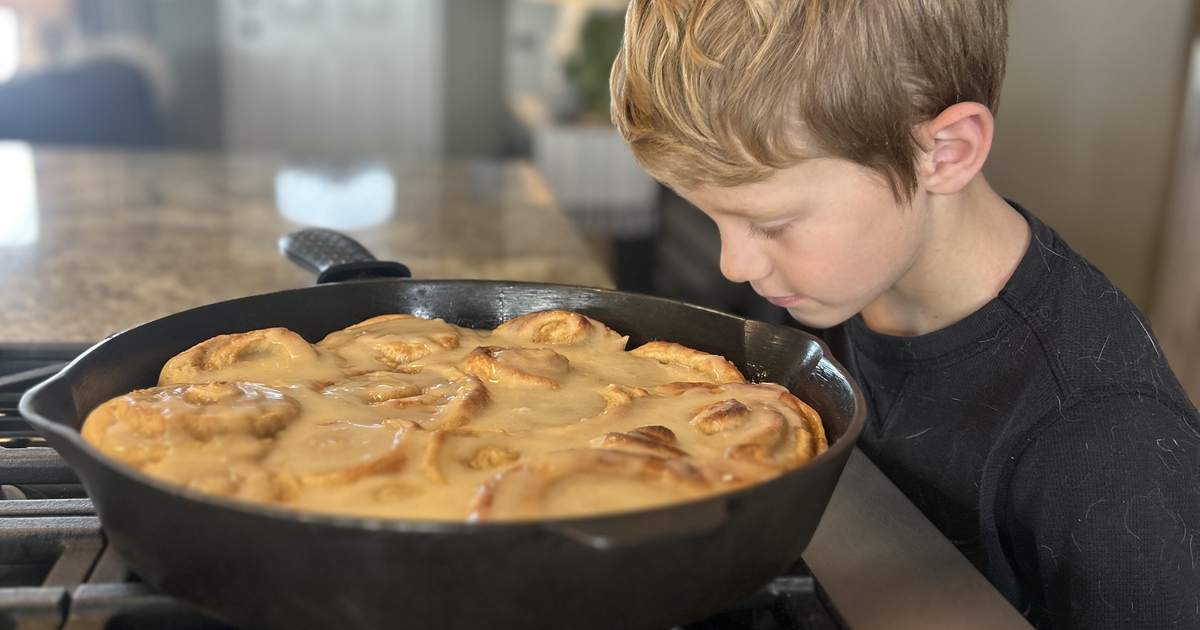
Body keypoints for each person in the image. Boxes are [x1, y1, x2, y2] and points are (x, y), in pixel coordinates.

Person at [608, 1, 1200, 628]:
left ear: (944, 153)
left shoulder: (1103, 444)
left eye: (770, 223)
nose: (734, 263)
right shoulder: (810, 294)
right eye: (712, 216)